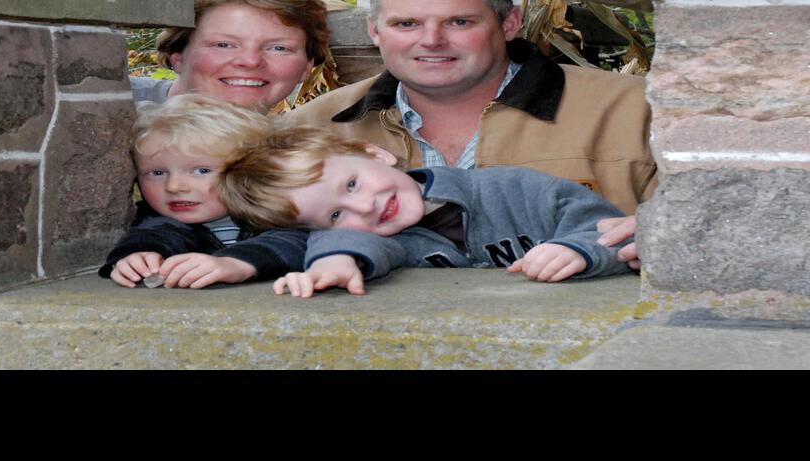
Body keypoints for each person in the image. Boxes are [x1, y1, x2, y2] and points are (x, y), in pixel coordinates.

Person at [284, 0, 654, 268]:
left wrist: (658, 232)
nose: (431, 40)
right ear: (374, 30)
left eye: (459, 22)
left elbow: (701, 224)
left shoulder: (639, 109)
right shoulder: (307, 129)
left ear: (510, 23)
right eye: (406, 23)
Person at [219, 125, 632, 297]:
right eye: (335, 214)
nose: (365, 207)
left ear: (376, 153)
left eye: (352, 183)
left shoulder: (518, 188)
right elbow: (343, 243)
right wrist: (334, 260)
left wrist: (580, 250)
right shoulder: (391, 242)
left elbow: (622, 234)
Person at [99, 95, 306, 289]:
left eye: (202, 170)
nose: (174, 186)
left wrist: (237, 263)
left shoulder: (274, 209)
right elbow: (154, 235)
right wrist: (137, 257)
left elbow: (294, 241)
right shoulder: (158, 220)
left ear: (249, 172)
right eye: (157, 172)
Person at [130, 0, 330, 112]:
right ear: (178, 56)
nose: (250, 61)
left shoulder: (294, 160)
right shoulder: (112, 105)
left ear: (307, 66)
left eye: (279, 48)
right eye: (224, 45)